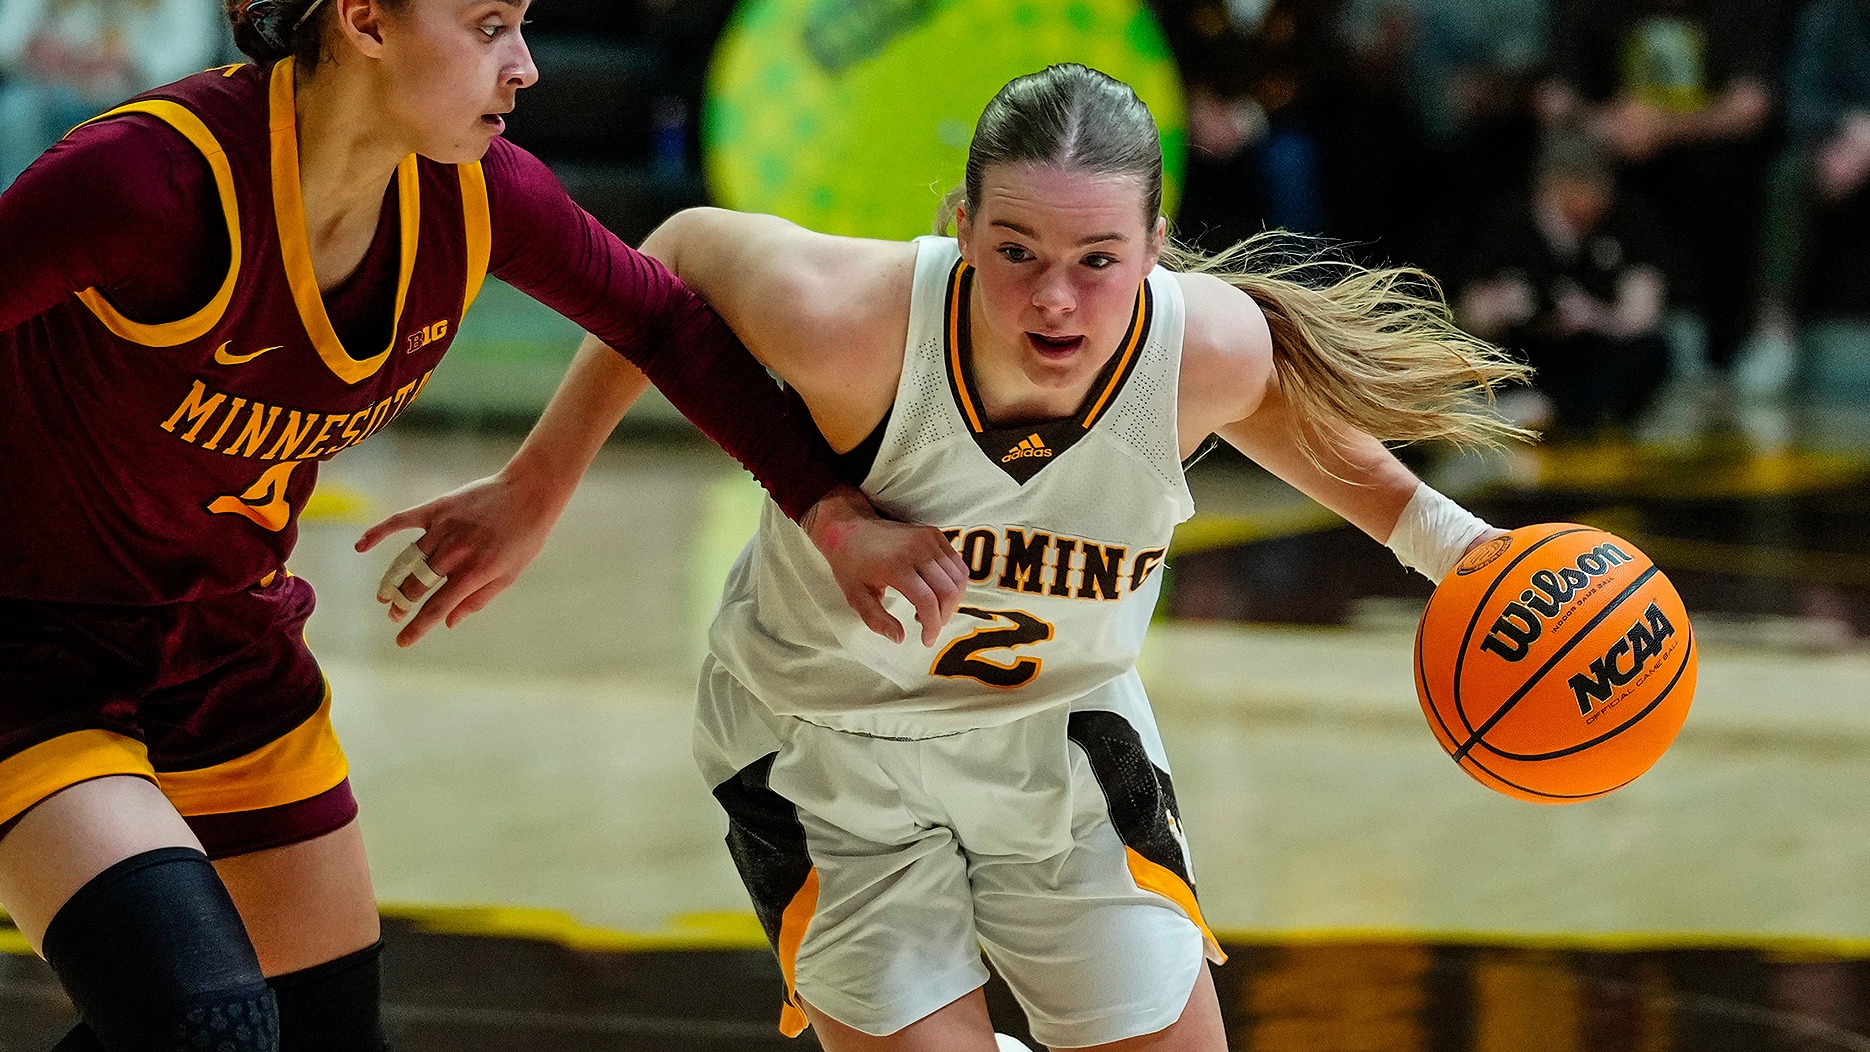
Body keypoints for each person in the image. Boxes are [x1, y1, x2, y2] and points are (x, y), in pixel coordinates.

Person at [398, 63, 1530, 1051]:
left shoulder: (1203, 346)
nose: (1053, 294)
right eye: (1015, 249)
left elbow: (1285, 415)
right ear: (959, 225)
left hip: (1063, 739)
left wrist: (1457, 547)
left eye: (1098, 258)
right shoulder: (850, 318)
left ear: (1153, 245)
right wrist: (537, 484)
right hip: (824, 747)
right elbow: (679, 254)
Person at [0, 1, 965, 1049]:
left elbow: (663, 316)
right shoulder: (148, 182)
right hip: (33, 653)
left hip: (230, 649)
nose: (527, 67)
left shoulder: (472, 198)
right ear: (367, 21)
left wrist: (828, 511)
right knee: (207, 1026)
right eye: (490, 25)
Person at [1459, 133, 1674, 436]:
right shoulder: (1509, 223)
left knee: (1653, 350)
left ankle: (1550, 409)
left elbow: (1641, 319)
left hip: (1588, 357)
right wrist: (1503, 307)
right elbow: (1471, 313)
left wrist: (1594, 316)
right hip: (1522, 354)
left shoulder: (1629, 225)